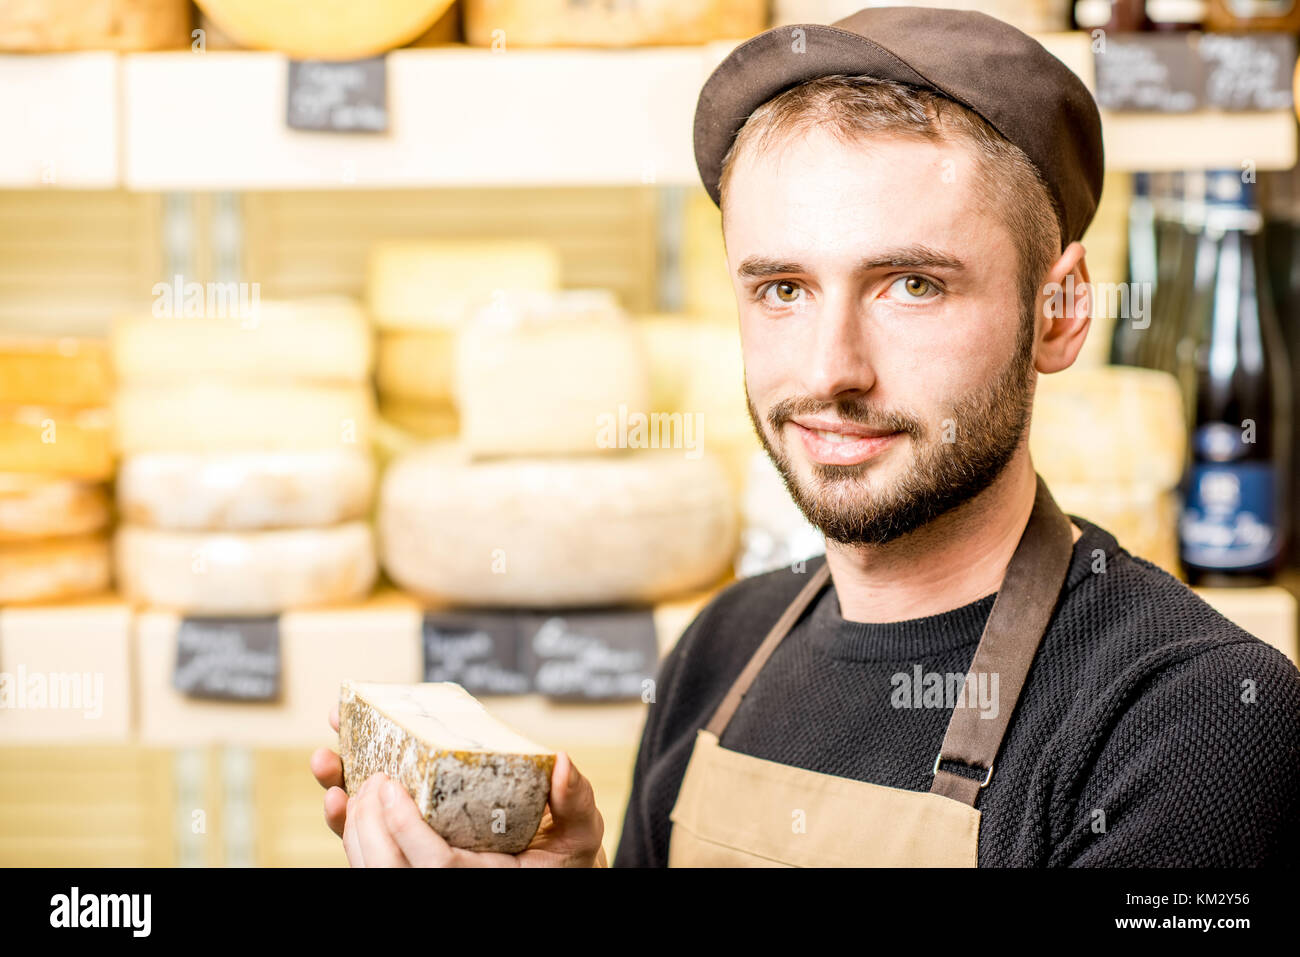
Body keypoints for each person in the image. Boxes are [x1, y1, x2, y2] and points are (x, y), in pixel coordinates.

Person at [311, 7, 1300, 867]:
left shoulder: (1199, 721)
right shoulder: (722, 651)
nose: (830, 370)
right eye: (782, 290)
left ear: (1059, 309)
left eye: (911, 285)